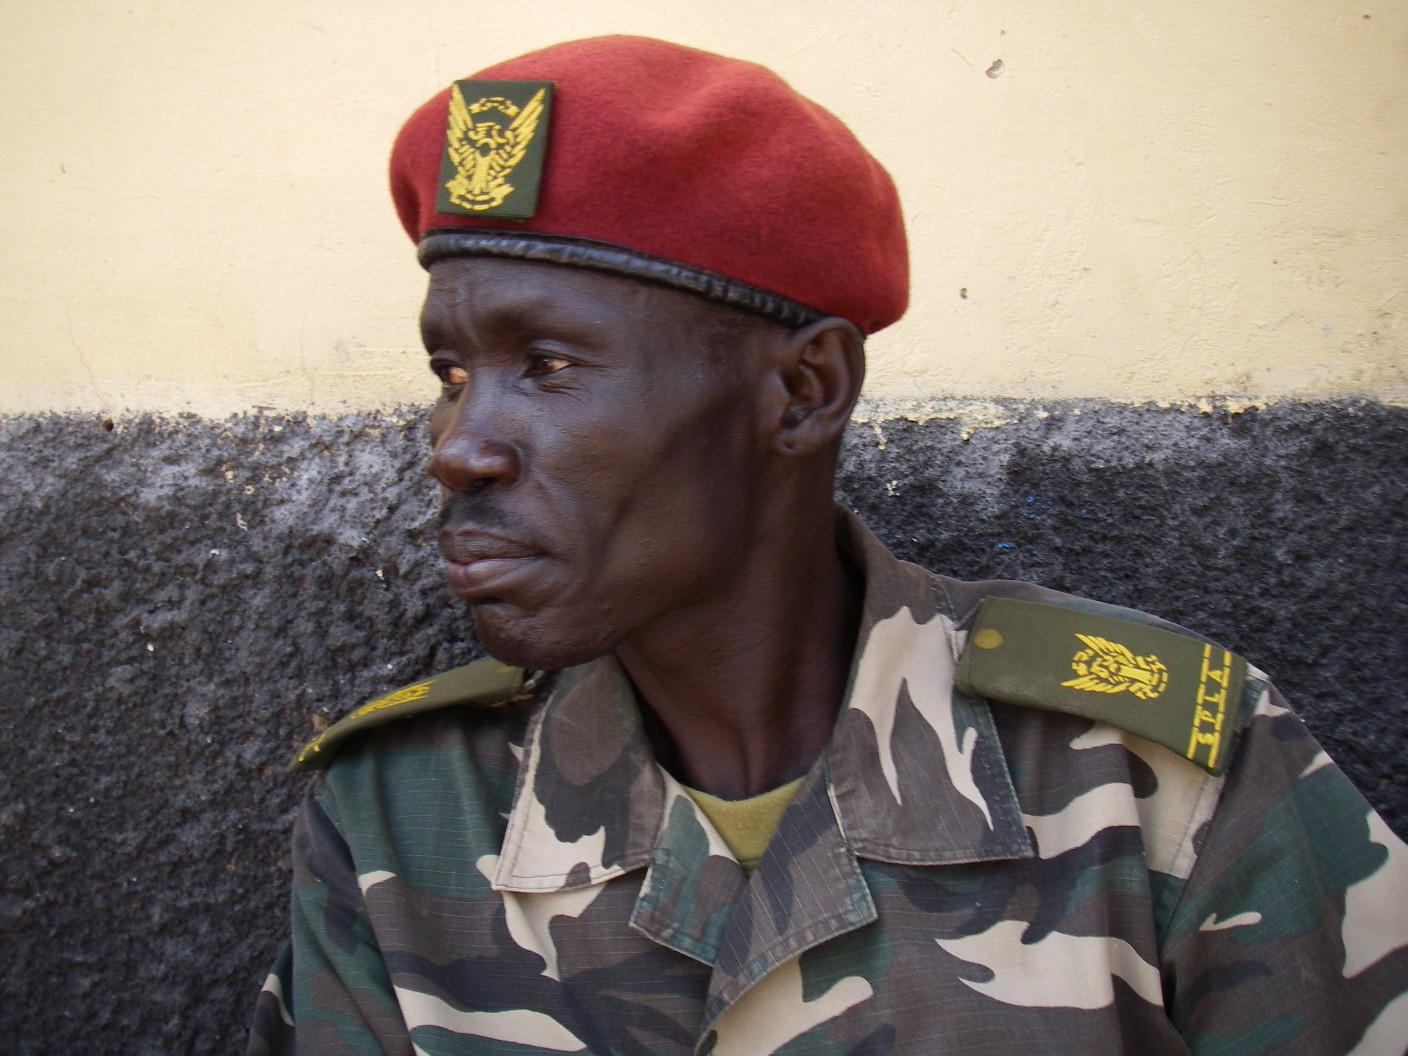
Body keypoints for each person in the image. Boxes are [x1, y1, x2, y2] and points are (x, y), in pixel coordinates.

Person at [249, 35, 1408, 1055]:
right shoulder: (402, 815)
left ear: (804, 390)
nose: (458, 447)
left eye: (547, 365)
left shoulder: (1140, 776)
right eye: (451, 374)